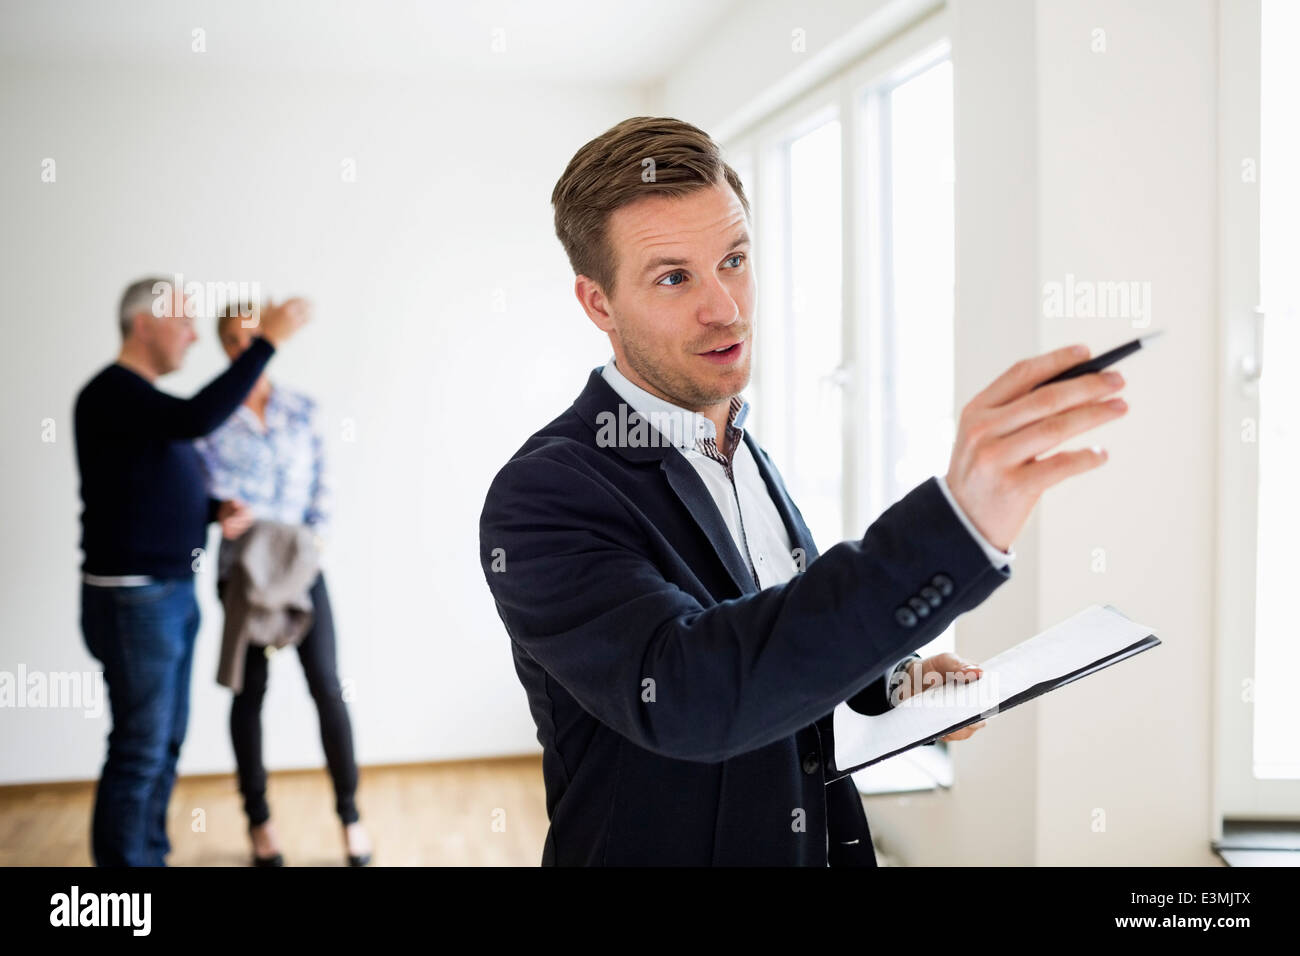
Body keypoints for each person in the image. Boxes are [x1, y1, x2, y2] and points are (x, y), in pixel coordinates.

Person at [478, 116, 1130, 866]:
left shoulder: (742, 450)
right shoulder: (543, 496)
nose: (724, 306)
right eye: (673, 276)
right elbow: (693, 692)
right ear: (598, 304)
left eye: (734, 259)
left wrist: (893, 679)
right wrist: (955, 524)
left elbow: (776, 637)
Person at [75, 278, 310, 866]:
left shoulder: (144, 403)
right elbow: (197, 418)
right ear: (143, 323)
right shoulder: (113, 393)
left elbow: (143, 490)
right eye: (182, 320)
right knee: (140, 749)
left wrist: (212, 511)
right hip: (136, 600)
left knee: (163, 744)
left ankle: (147, 861)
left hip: (167, 596)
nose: (191, 334)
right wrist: (268, 341)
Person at [195, 302, 372, 868]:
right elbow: (199, 494)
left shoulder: (301, 409)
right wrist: (216, 510)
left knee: (327, 685)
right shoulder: (209, 416)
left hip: (300, 565)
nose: (244, 348)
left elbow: (325, 485)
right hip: (243, 571)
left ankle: (350, 817)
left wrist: (311, 547)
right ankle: (260, 825)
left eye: (254, 336)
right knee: (250, 694)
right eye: (233, 340)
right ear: (223, 347)